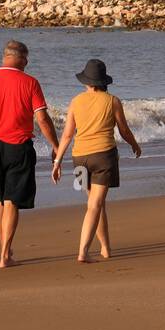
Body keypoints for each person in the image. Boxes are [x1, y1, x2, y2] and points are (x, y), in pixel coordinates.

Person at [0, 40, 59, 268]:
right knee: (12, 201)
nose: (28, 63)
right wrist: (56, 146)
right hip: (18, 146)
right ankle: (5, 255)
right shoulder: (30, 83)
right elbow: (43, 119)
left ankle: (5, 251)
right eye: (26, 59)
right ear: (19, 58)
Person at [51, 58, 141, 263]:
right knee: (95, 205)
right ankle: (83, 252)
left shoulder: (75, 101)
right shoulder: (112, 101)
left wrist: (57, 162)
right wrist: (135, 145)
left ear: (87, 81)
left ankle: (105, 248)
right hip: (103, 157)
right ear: (103, 82)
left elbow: (66, 135)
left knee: (95, 203)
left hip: (79, 159)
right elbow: (124, 130)